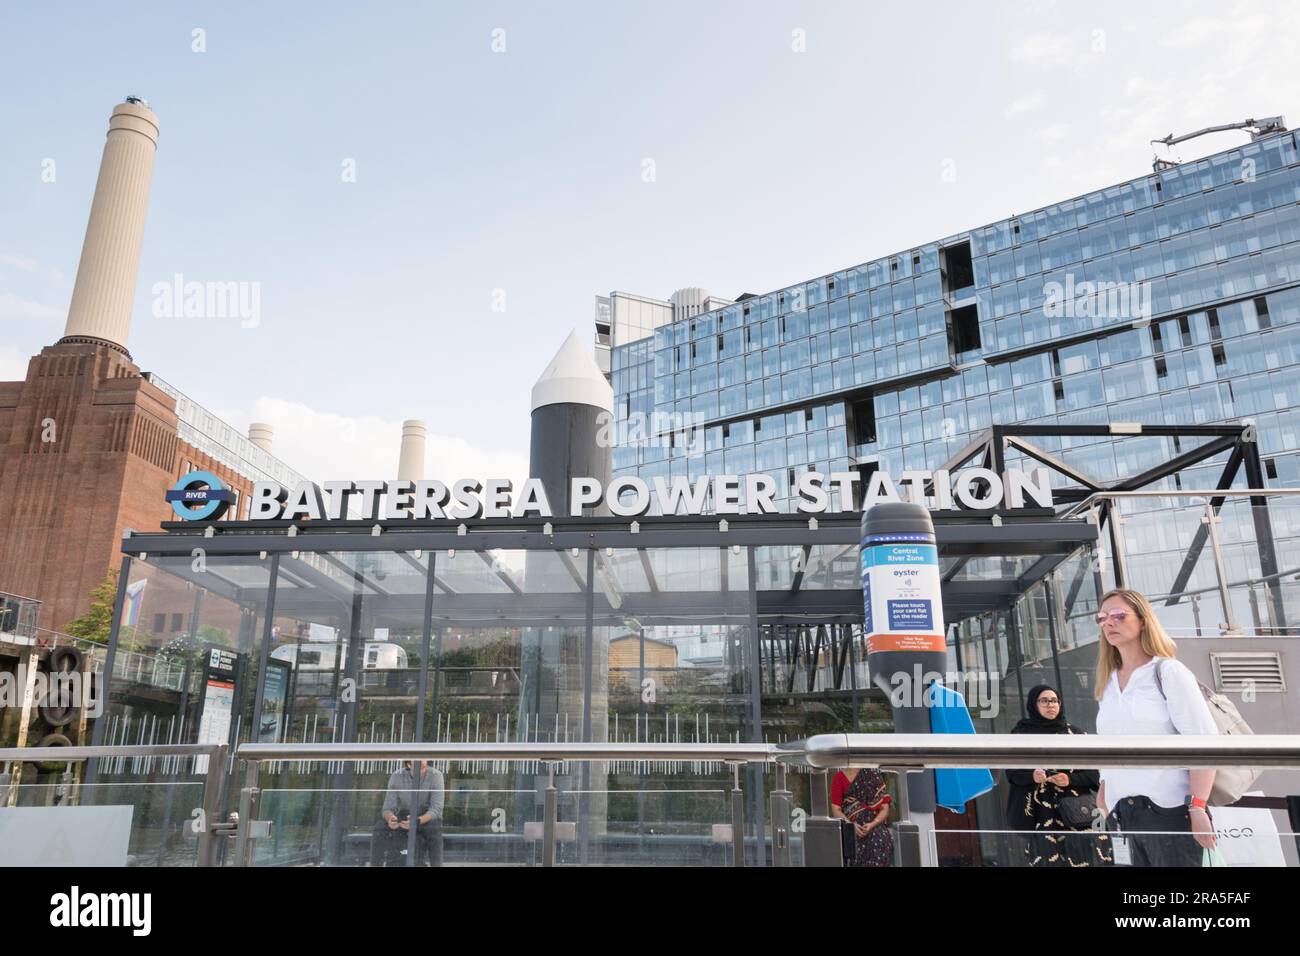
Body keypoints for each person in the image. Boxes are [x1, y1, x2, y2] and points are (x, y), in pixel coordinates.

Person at [1094, 588, 1218, 867]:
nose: (1108, 623)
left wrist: (1198, 807)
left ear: (1143, 620)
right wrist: (1104, 789)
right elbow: (1108, 742)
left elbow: (1204, 740)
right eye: (1101, 618)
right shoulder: (1108, 682)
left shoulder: (1168, 672)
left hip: (1169, 810)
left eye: (1118, 615)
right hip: (1122, 813)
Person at [1005, 684, 1111, 866]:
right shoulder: (1021, 733)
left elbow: (1095, 774)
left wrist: (1070, 779)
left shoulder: (1075, 734)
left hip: (1077, 813)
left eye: (1054, 700)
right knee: (1047, 858)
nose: (1050, 705)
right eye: (1044, 701)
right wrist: (1033, 776)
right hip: (1042, 814)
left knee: (1085, 857)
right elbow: (1012, 773)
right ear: (1033, 705)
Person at [370, 759, 445, 867]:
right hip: (403, 815)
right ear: (408, 764)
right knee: (379, 828)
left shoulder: (436, 775)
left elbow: (436, 810)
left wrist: (417, 821)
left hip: (425, 817)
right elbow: (387, 808)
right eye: (417, 761)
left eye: (424, 759)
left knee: (434, 830)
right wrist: (391, 819)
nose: (422, 762)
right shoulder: (397, 776)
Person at [831, 767, 893, 866]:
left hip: (876, 832)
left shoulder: (872, 774)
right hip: (853, 834)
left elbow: (885, 808)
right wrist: (851, 825)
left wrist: (873, 824)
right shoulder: (838, 778)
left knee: (879, 843)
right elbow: (836, 810)